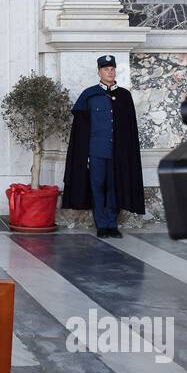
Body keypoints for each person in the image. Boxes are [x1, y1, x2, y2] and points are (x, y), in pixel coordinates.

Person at [62, 53, 145, 237]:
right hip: (96, 151)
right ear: (99, 72)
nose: (109, 72)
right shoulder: (89, 95)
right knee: (97, 185)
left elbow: (130, 128)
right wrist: (85, 154)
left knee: (114, 187)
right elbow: (81, 130)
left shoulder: (124, 96)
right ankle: (101, 224)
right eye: (105, 69)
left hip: (118, 152)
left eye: (112, 68)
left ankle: (111, 224)